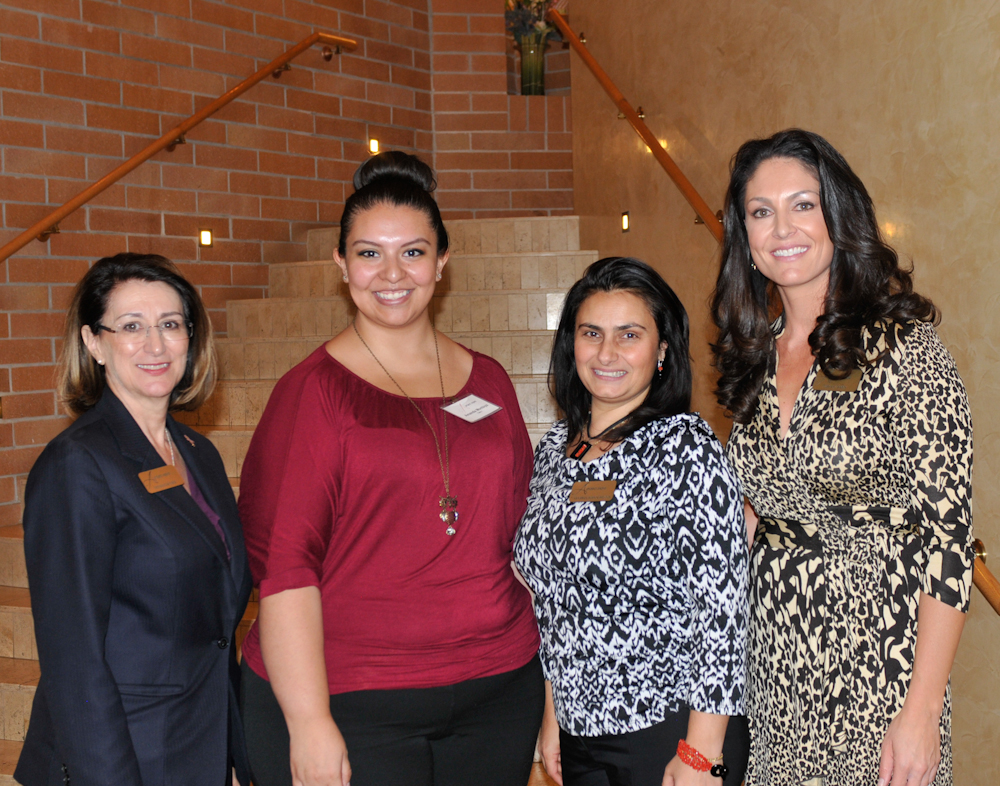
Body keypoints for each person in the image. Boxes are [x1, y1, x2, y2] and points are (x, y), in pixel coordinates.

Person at [237, 150, 543, 786]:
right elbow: (286, 571)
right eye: (370, 253)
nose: (392, 273)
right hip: (358, 699)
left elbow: (522, 534)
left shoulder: (488, 380)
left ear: (442, 262)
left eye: (413, 251)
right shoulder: (311, 393)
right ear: (342, 265)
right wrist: (309, 721)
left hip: (498, 688)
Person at [711, 129, 973, 786]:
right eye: (760, 212)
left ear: (839, 213)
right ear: (743, 235)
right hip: (773, 673)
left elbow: (948, 539)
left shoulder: (904, 348)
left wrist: (921, 710)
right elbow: (750, 517)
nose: (782, 228)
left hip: (882, 673)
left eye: (804, 204)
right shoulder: (752, 356)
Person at [15, 253, 252, 786]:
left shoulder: (199, 453)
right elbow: (73, 660)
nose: (155, 345)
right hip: (122, 755)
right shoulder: (77, 464)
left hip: (200, 744)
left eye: (170, 325)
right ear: (93, 343)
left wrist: (231, 754)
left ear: (191, 338)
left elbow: (214, 629)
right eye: (131, 327)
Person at [514, 257, 750, 786]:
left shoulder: (685, 446)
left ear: (662, 349)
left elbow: (723, 606)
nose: (607, 352)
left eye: (629, 334)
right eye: (591, 333)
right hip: (579, 735)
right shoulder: (555, 449)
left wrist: (701, 754)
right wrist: (554, 716)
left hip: (669, 732)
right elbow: (554, 604)